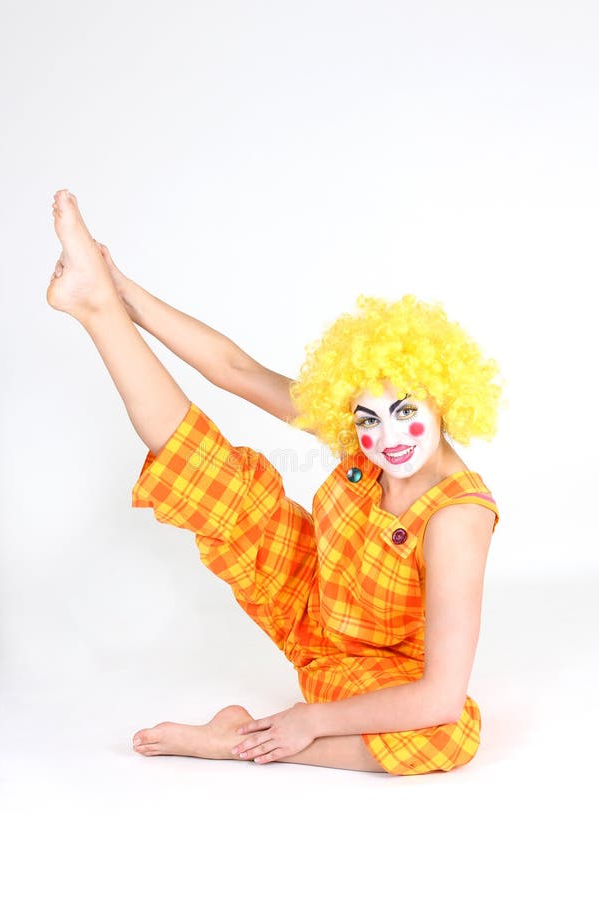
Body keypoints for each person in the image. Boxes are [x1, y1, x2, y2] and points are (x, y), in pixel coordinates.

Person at [47, 189, 501, 775]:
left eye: (407, 412)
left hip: (371, 666)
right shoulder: (375, 446)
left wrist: (307, 721)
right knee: (217, 480)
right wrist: (121, 287)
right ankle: (97, 308)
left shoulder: (458, 516)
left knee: (450, 731)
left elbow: (438, 694)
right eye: (369, 419)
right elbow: (237, 371)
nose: (390, 439)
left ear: (444, 400)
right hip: (305, 596)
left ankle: (233, 742)